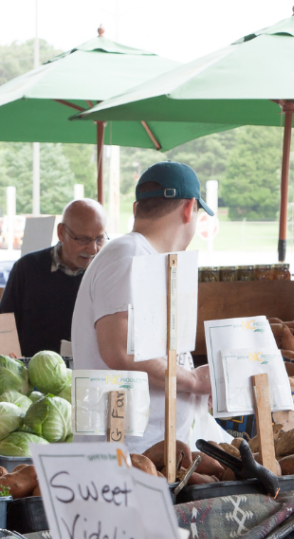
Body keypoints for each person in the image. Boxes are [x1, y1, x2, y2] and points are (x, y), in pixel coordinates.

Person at [71, 162, 216, 453]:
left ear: (138, 208)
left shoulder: (141, 256)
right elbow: (119, 350)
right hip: (127, 454)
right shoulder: (129, 254)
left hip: (144, 451)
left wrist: (193, 379)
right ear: (189, 209)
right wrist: (193, 382)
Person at [0, 199, 106, 357]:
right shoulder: (27, 269)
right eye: (83, 239)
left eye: (99, 239)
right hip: (31, 374)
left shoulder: (105, 273)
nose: (93, 249)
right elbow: (3, 326)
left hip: (86, 374)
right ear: (61, 232)